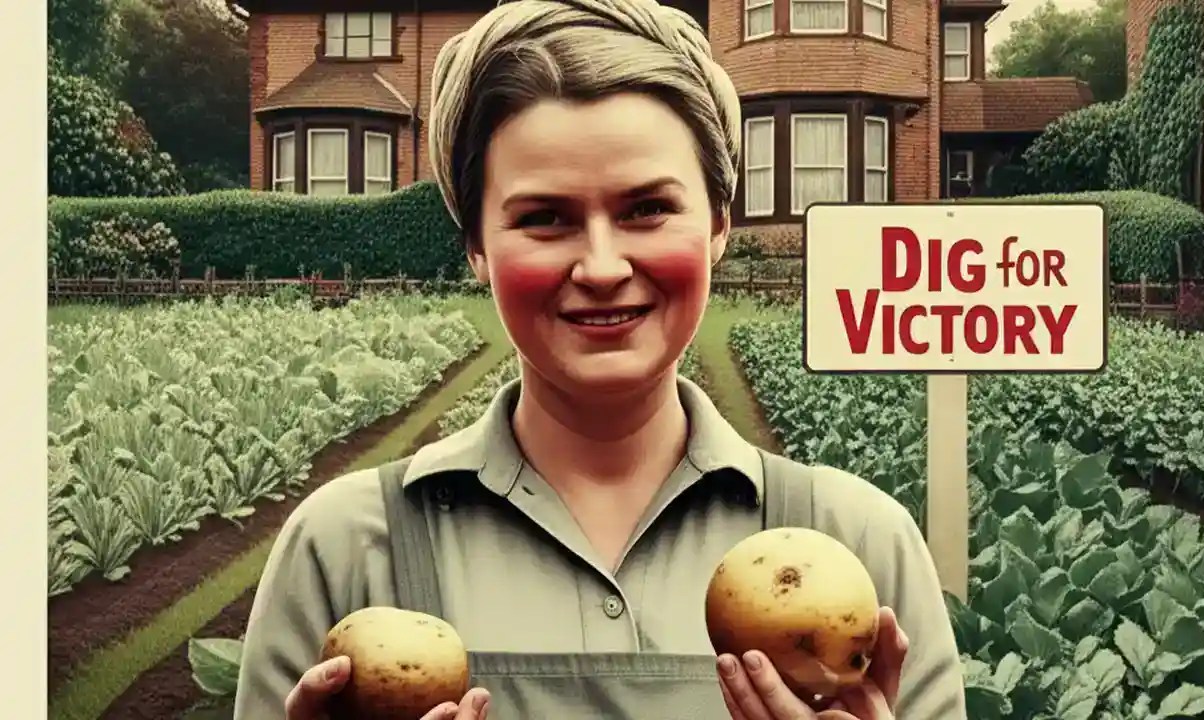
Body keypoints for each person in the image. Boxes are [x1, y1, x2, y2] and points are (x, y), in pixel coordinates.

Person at [232, 0, 967, 718]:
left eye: (647, 209)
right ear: (476, 248)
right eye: (544, 218)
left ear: (718, 224)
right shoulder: (342, 550)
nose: (602, 265)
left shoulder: (865, 544)